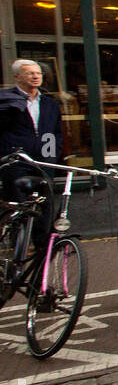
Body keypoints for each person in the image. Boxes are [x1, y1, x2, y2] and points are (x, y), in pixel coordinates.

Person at [0, 59, 64, 256]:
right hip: (16, 160)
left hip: (43, 161)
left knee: (45, 205)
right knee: (19, 205)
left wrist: (50, 157)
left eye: (38, 73)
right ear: (17, 77)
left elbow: (54, 132)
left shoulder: (49, 103)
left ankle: (42, 249)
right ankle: (18, 250)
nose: (36, 77)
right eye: (30, 73)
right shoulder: (6, 100)